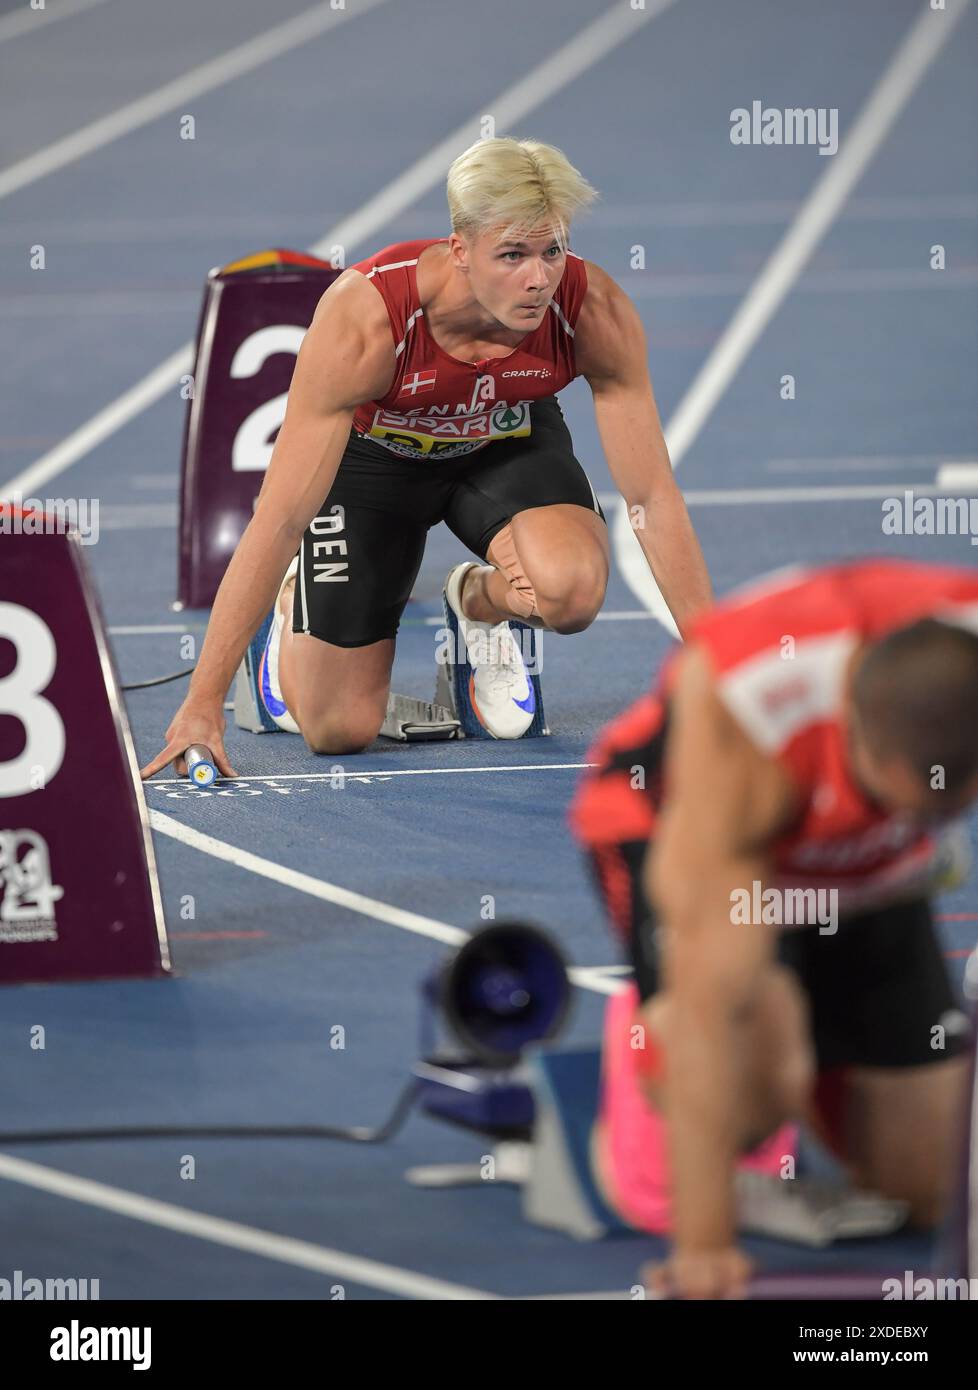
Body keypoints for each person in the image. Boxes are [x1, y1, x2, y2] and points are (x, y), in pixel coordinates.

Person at [141, 137, 711, 778]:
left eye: (553, 251)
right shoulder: (370, 318)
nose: (538, 278)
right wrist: (202, 701)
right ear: (460, 251)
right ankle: (289, 615)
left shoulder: (591, 309)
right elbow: (278, 518)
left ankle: (475, 604)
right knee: (336, 730)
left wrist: (723, 672)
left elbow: (651, 498)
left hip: (503, 443)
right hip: (371, 466)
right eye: (512, 255)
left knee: (572, 593)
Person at [570, 558, 978, 1299]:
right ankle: (648, 1038)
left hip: (873, 872)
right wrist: (703, 1250)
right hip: (695, 833)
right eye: (913, 806)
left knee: (922, 1189)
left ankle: (819, 1045)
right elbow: (708, 1005)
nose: (932, 825)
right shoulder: (744, 715)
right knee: (752, 1092)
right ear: (864, 744)